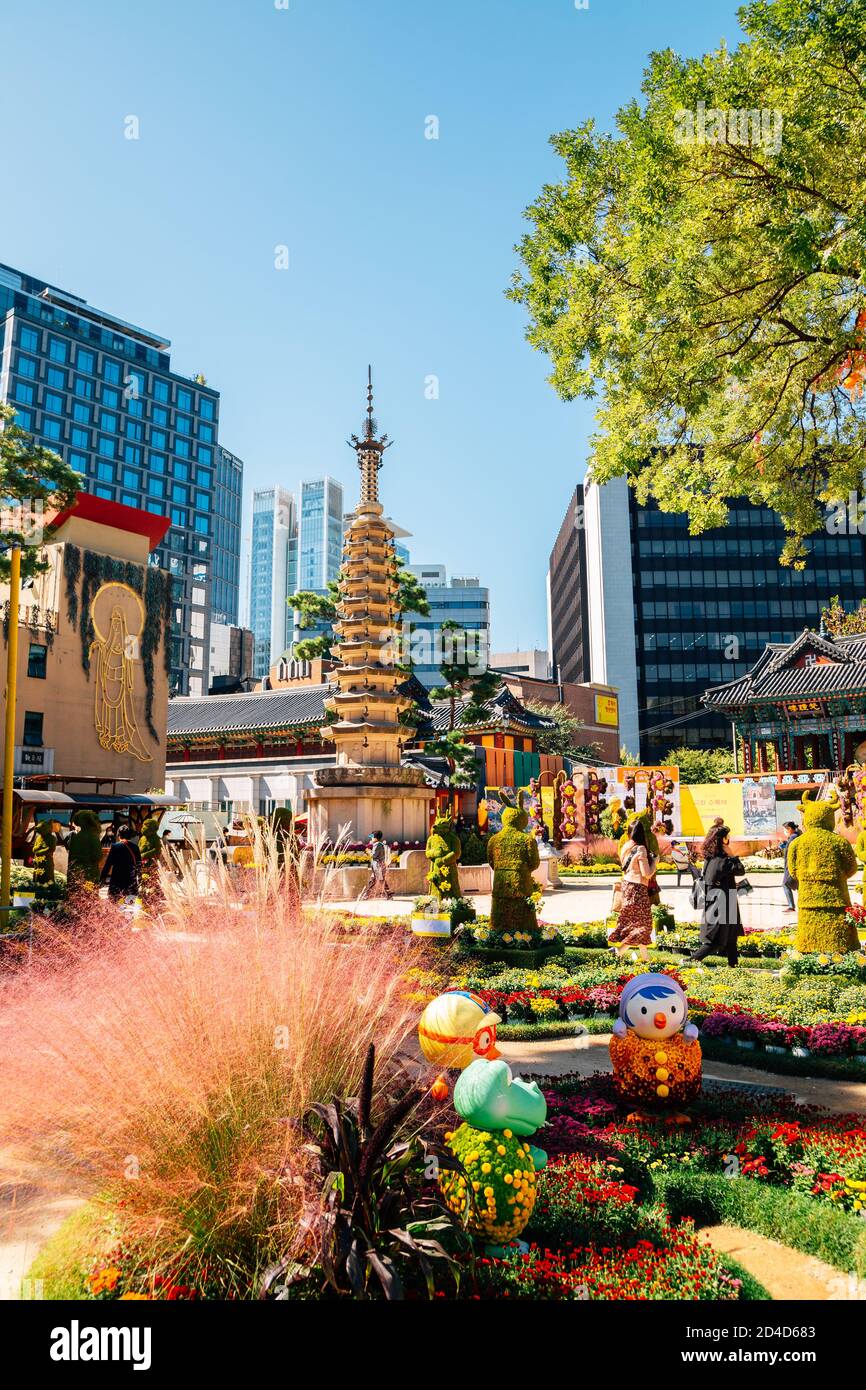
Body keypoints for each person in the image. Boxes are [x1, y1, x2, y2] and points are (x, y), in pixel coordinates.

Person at [688, 824, 745, 968]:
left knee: (731, 937)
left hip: (725, 901)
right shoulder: (722, 859)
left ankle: (734, 966)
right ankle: (690, 961)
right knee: (716, 940)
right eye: (727, 836)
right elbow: (740, 870)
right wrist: (733, 855)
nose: (729, 839)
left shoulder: (711, 857)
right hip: (721, 903)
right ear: (722, 840)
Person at [608, 818, 657, 961]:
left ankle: (639, 957)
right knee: (643, 924)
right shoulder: (640, 848)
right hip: (638, 889)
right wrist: (655, 862)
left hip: (627, 886)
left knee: (635, 924)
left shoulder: (626, 846)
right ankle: (619, 952)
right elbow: (646, 873)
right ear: (642, 834)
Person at [100, 825, 143, 899]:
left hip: (117, 881)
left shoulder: (115, 846)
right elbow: (139, 865)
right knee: (129, 905)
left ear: (118, 835)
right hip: (131, 881)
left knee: (115, 905)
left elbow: (108, 864)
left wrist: (102, 878)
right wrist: (140, 879)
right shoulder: (135, 847)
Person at [358, 830, 393, 901]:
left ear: (375, 838)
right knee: (375, 880)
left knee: (380, 880)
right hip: (378, 866)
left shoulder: (377, 845)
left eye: (372, 837)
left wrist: (369, 852)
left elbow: (374, 856)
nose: (371, 839)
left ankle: (367, 895)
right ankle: (367, 895)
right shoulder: (379, 844)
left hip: (378, 867)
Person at [779, 819, 801, 912]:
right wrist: (783, 844)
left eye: (785, 830)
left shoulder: (793, 837)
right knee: (798, 885)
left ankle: (791, 906)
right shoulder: (794, 836)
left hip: (790, 865)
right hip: (791, 864)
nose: (784, 832)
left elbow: (791, 851)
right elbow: (789, 847)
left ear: (789, 829)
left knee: (785, 884)